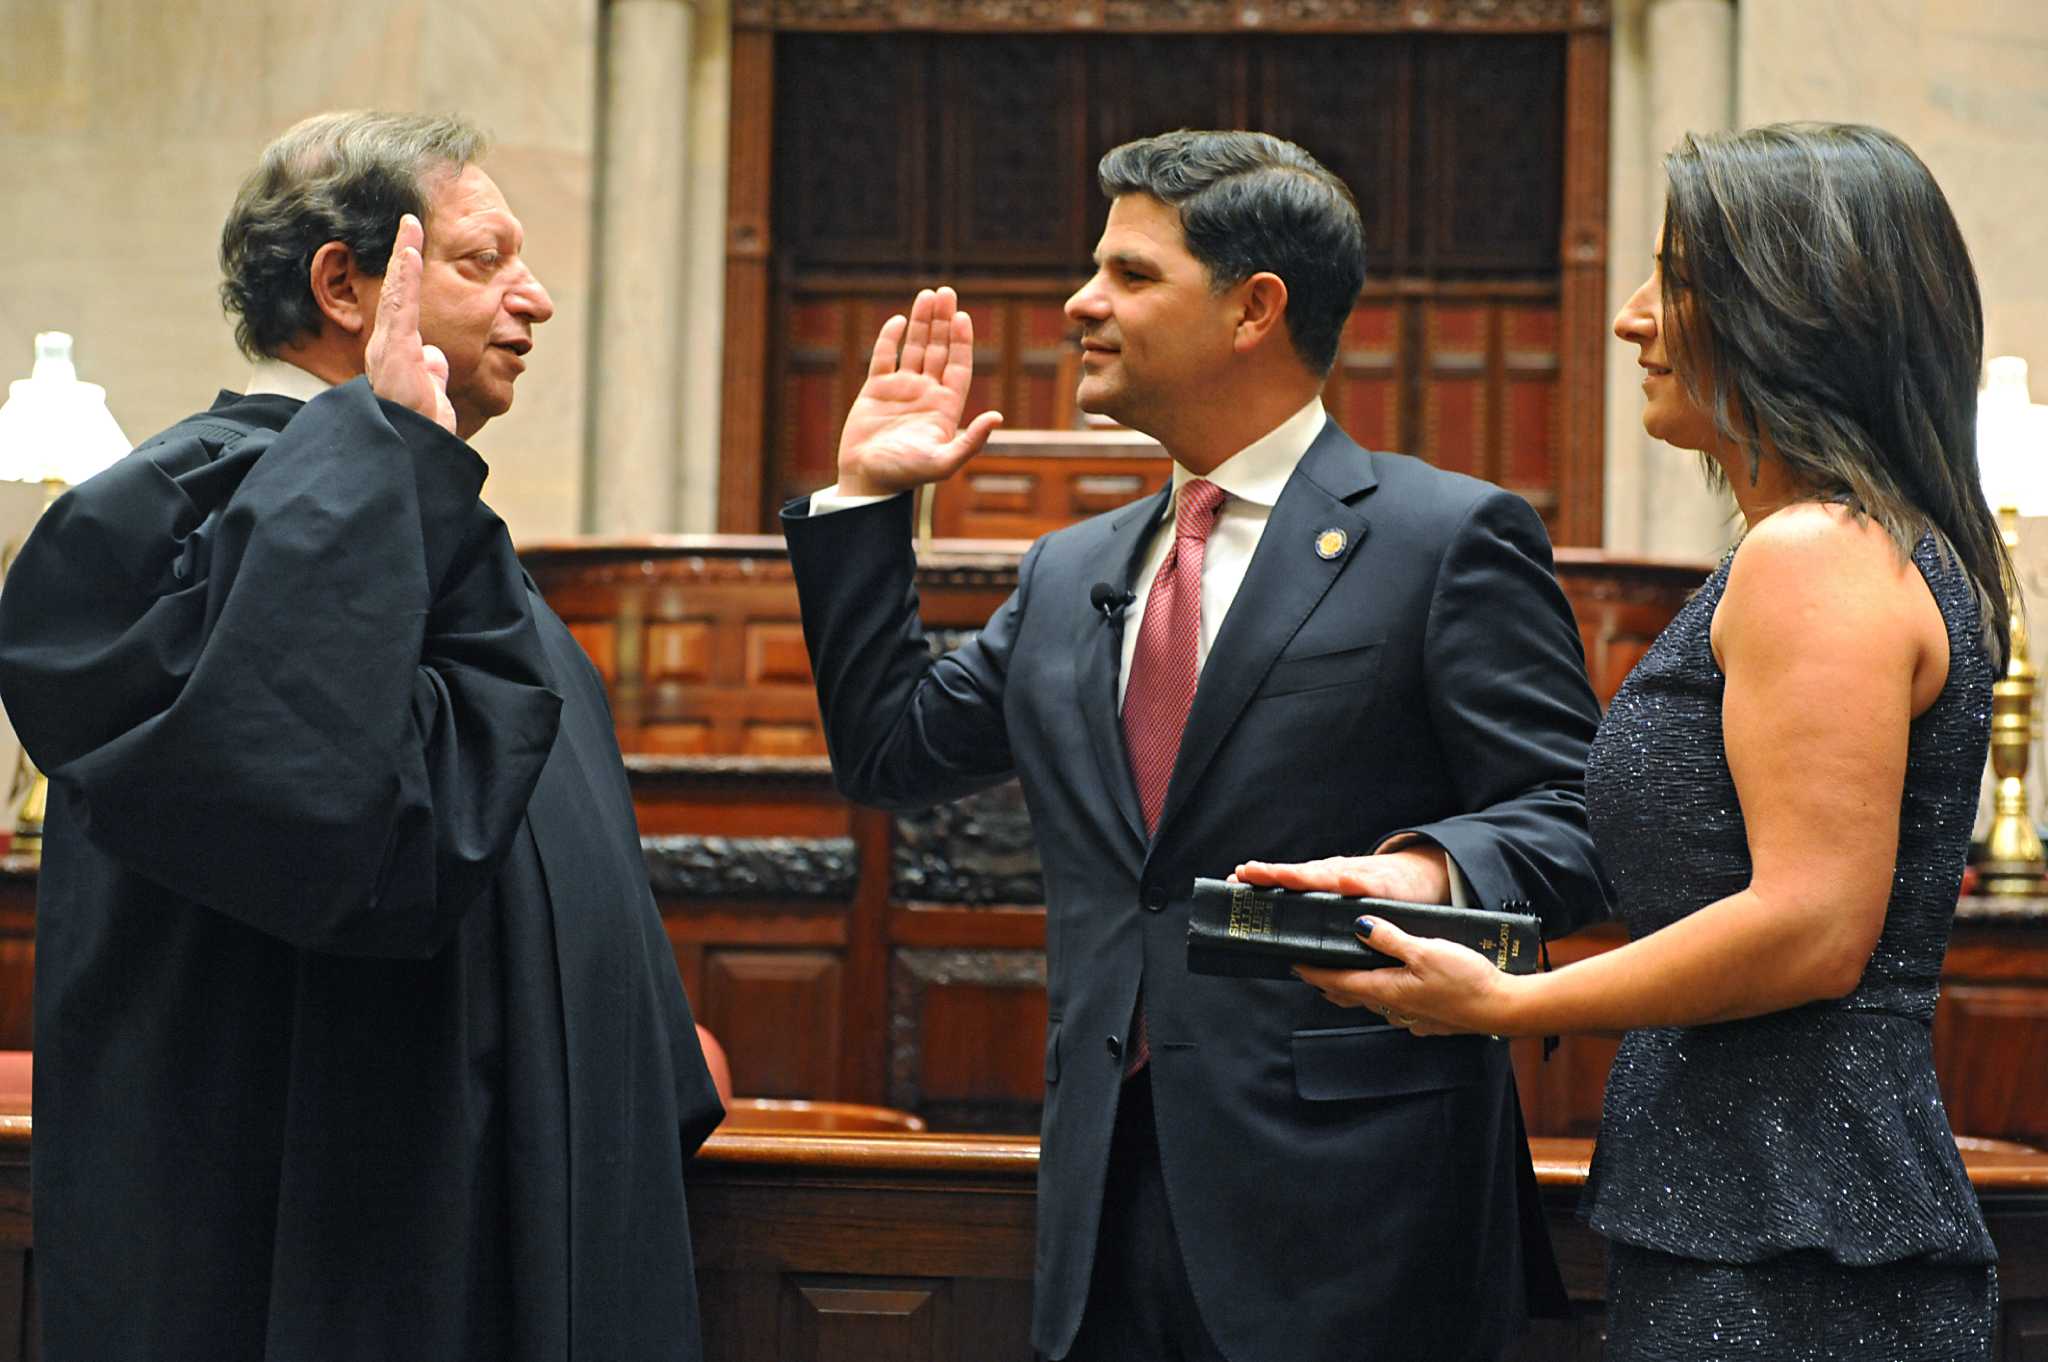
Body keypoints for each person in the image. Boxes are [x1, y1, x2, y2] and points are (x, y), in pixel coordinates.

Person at [782, 129, 1611, 1362]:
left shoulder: (1443, 537)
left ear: (1252, 309)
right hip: (1105, 1199)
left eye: (1128, 274)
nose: (1079, 303)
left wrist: (1422, 872)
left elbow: (1577, 818)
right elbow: (892, 753)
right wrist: (863, 501)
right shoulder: (1071, 569)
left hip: (1356, 1211)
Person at [1246, 121, 2007, 1359]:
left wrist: (1507, 1002)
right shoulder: (1833, 546)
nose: (1632, 317)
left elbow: (1809, 930)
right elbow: (1716, 877)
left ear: (1793, 307)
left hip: (1789, 1224)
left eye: (1679, 279)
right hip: (1760, 1197)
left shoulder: (1814, 552)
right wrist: (1416, 879)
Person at [0, 111, 723, 1360]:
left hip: (503, 1200)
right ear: (346, 283)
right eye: (484, 259)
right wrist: (379, 461)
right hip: (321, 1230)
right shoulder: (166, 525)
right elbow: (319, 815)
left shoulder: (443, 527)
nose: (535, 298)